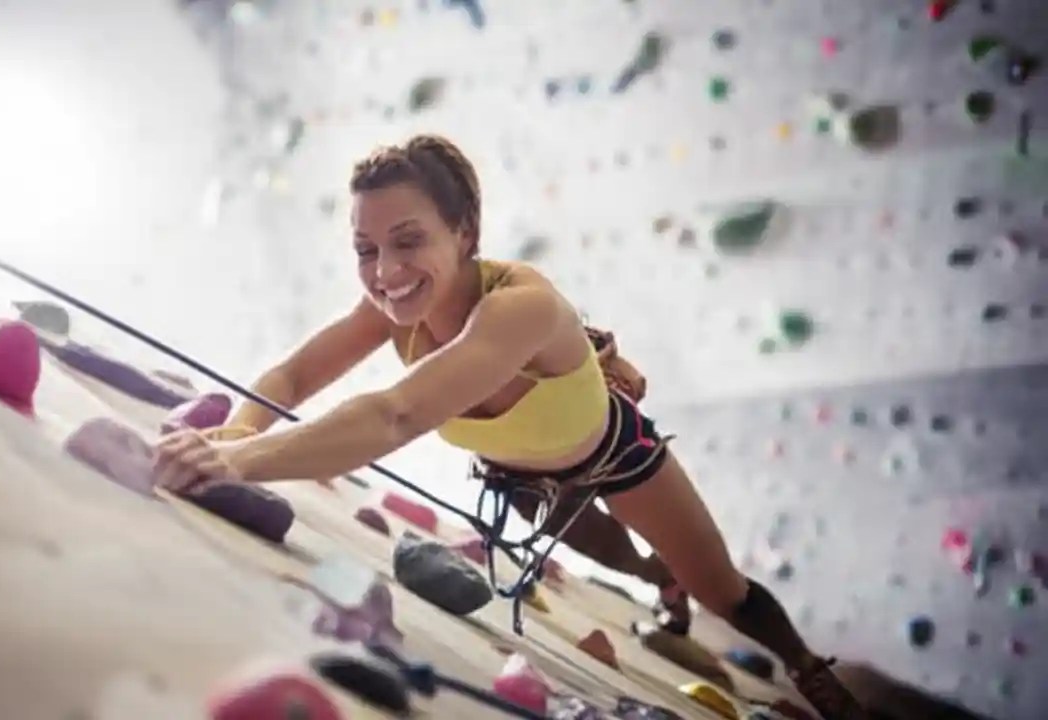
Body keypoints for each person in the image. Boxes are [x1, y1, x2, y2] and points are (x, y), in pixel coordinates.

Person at [154, 133, 868, 719]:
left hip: (615, 453)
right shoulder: (387, 308)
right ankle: (662, 586)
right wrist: (244, 428)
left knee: (724, 591)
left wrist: (241, 464)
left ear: (465, 231)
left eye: (408, 241)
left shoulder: (521, 307)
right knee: (634, 565)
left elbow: (397, 412)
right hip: (520, 474)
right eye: (366, 250)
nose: (385, 271)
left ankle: (807, 666)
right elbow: (290, 377)